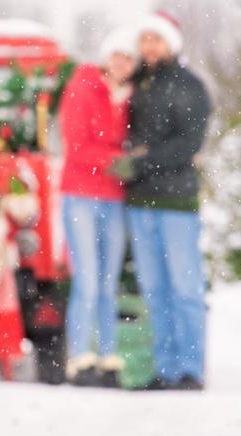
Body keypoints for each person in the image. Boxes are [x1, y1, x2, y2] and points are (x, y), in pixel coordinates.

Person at [110, 11, 212, 391]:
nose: (150, 46)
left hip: (176, 203)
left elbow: (189, 143)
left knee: (185, 288)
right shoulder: (136, 85)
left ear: (171, 43)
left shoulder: (189, 86)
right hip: (140, 203)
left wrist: (141, 162)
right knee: (153, 288)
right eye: (145, 39)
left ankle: (190, 370)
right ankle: (165, 368)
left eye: (157, 39)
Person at [58, 28, 138, 388]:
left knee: (108, 282)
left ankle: (108, 354)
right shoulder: (83, 87)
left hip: (114, 197)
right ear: (107, 57)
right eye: (117, 55)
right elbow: (76, 145)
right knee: (87, 279)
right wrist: (117, 160)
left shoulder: (128, 98)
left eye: (129, 58)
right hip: (81, 194)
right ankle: (79, 355)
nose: (122, 63)